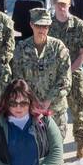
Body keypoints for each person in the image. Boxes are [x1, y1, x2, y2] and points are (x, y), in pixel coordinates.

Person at [11, 8, 71, 146]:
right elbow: (18, 80)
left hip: (55, 109)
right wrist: (34, 101)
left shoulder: (58, 47)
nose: (42, 29)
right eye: (38, 25)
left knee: (56, 151)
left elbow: (65, 80)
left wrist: (47, 101)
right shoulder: (21, 48)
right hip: (30, 110)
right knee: (34, 151)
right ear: (31, 24)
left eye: (45, 26)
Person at [50, 0, 83, 158]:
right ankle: (54, 147)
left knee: (79, 109)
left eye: (64, 4)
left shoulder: (79, 25)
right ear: (53, 4)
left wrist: (69, 70)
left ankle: (81, 146)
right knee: (54, 112)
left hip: (74, 74)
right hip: (53, 76)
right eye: (59, 4)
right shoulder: (48, 26)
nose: (62, 8)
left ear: (69, 4)